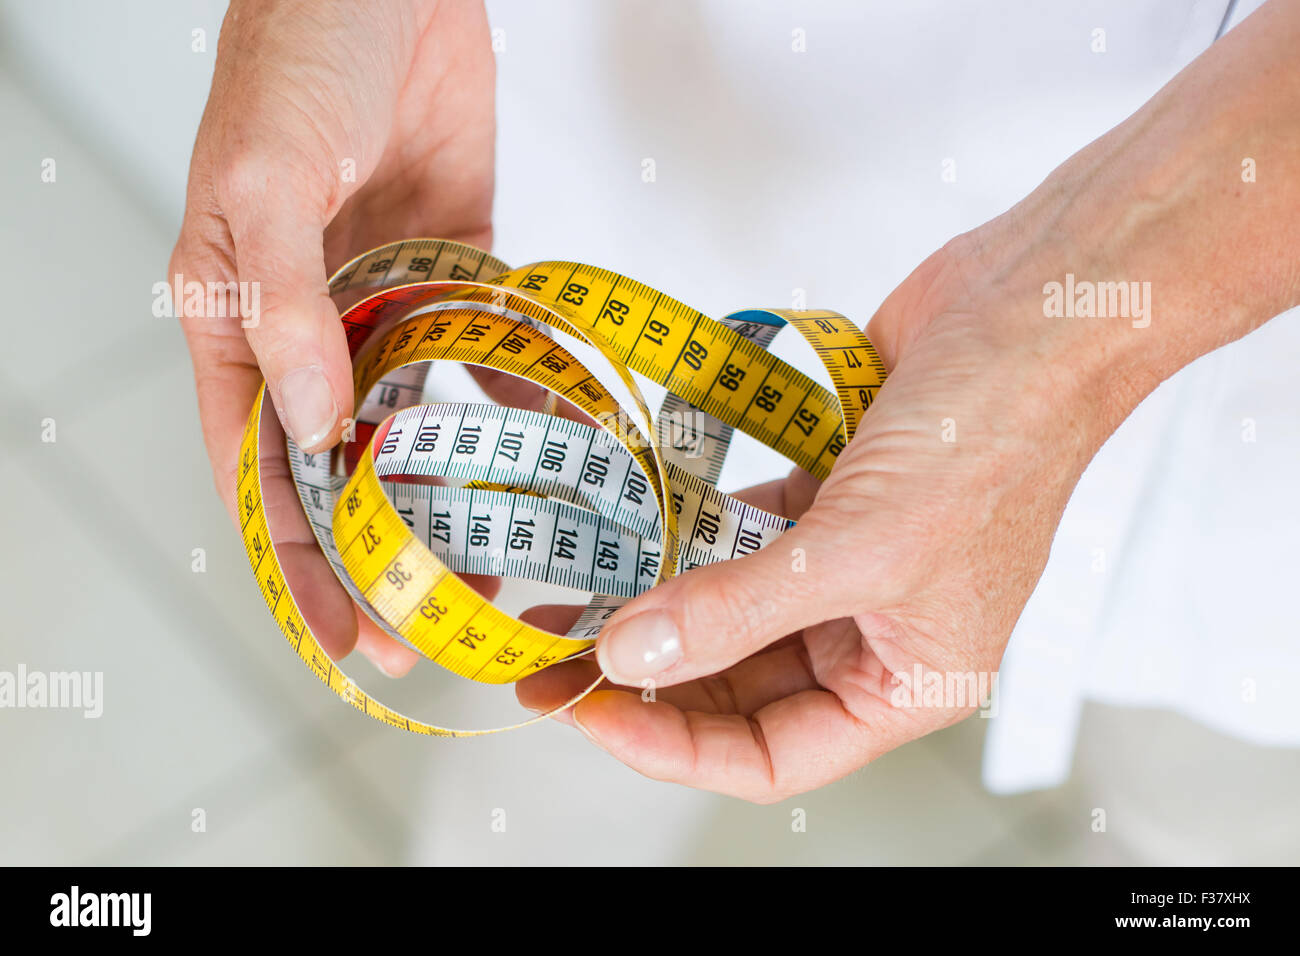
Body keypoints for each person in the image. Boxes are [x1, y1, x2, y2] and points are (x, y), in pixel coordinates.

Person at [172, 0, 1300, 803]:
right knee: (576, 719)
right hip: (665, 131)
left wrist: (1066, 337)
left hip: (1256, 460)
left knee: (1189, 808)